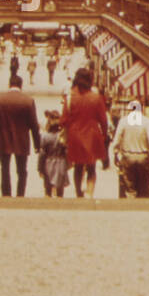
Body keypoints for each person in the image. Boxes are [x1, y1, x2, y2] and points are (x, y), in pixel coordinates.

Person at [0, 74, 41, 197]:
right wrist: (37, 144)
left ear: (9, 84)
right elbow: (34, 124)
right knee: (22, 171)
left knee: (4, 169)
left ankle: (6, 194)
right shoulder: (28, 101)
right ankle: (20, 194)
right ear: (21, 86)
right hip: (22, 141)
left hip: (3, 140)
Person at [63, 66, 109, 199]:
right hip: (92, 135)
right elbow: (103, 120)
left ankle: (78, 193)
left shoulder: (70, 98)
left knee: (78, 167)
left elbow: (64, 120)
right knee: (91, 167)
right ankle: (89, 192)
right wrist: (104, 135)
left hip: (75, 135)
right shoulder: (96, 98)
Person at [111, 101, 149, 199]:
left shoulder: (123, 121)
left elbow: (116, 141)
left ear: (129, 110)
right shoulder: (147, 121)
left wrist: (115, 153)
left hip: (128, 157)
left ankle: (131, 207)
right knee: (143, 189)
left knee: (130, 189)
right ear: (141, 109)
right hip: (143, 157)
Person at [36, 109, 70, 198]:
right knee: (60, 190)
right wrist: (68, 164)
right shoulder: (63, 136)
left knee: (47, 188)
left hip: (48, 163)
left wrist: (39, 168)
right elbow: (67, 151)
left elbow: (42, 154)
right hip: (61, 163)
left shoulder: (45, 136)